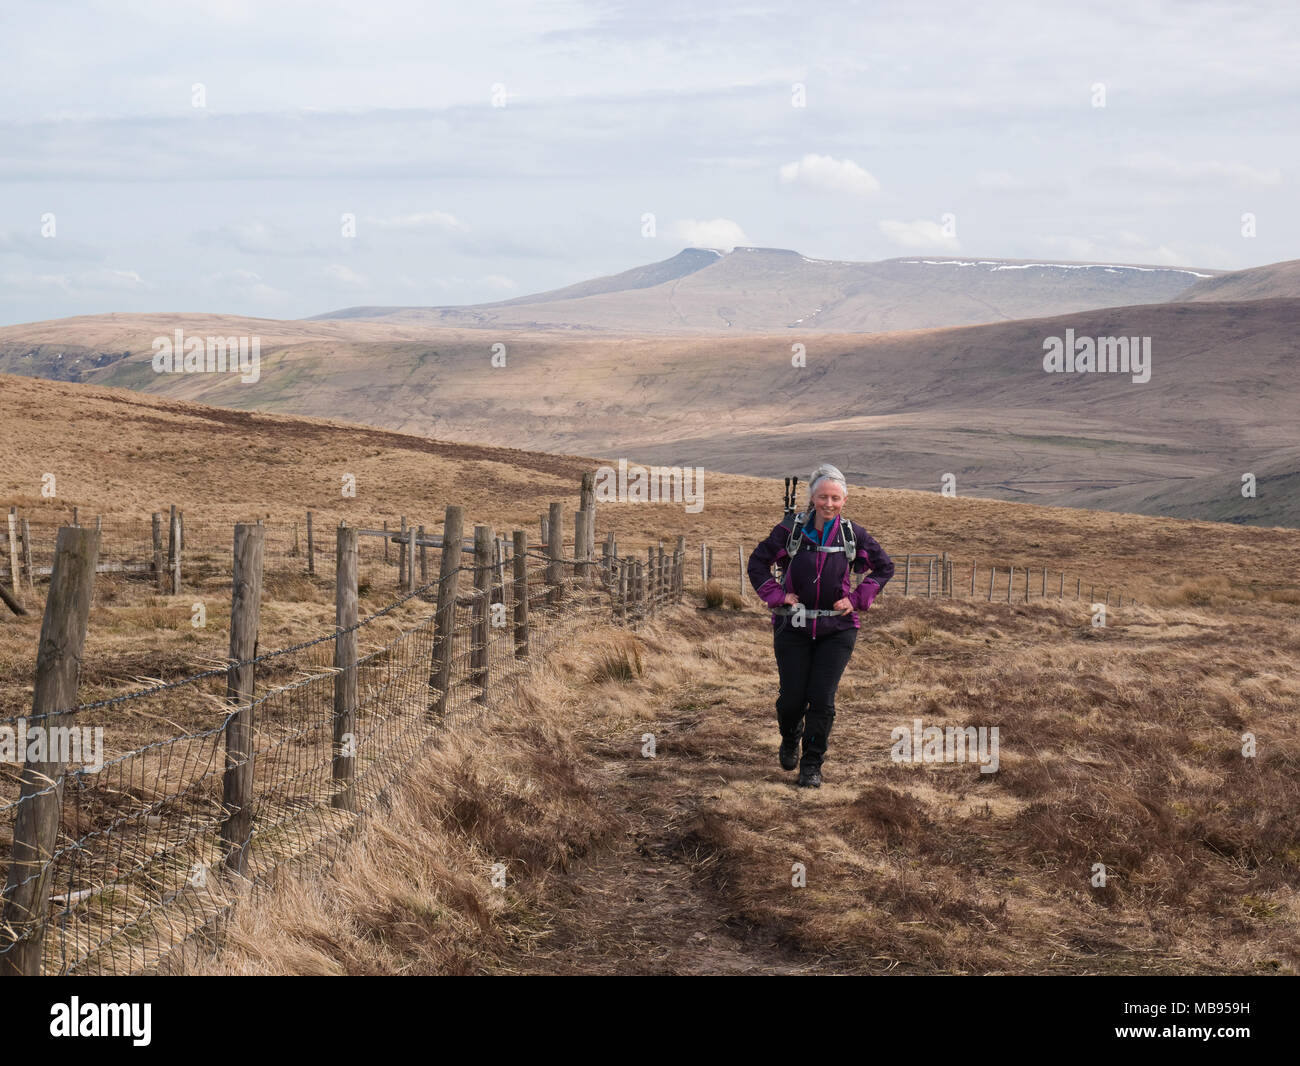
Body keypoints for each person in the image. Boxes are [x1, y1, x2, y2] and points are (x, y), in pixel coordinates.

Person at [747, 464, 894, 788]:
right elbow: (757, 562)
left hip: (838, 631)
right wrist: (776, 595)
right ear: (812, 497)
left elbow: (884, 568)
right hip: (793, 627)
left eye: (836, 498)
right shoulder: (790, 531)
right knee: (791, 700)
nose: (829, 503)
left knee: (822, 699)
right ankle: (790, 736)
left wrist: (856, 599)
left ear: (844, 500)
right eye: (823, 497)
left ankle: (812, 765)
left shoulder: (852, 534)